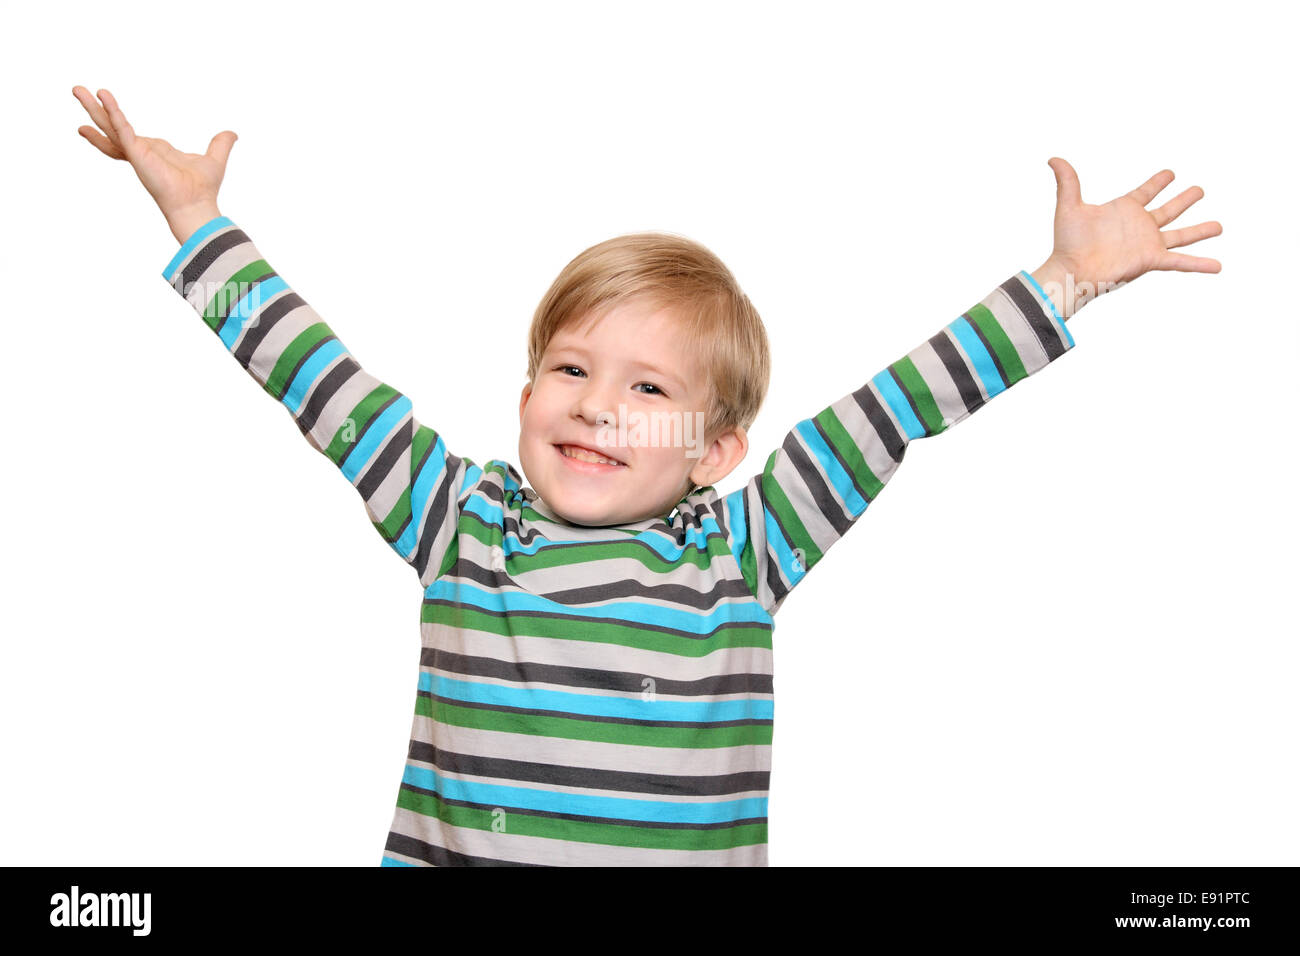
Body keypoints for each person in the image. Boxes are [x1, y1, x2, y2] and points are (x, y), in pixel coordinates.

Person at [72, 85, 1223, 866]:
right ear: (525, 393)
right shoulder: (456, 516)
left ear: (716, 451)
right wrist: (197, 222)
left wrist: (1066, 283)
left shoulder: (747, 544)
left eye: (649, 390)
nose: (595, 402)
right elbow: (310, 375)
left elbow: (900, 407)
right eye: (568, 366)